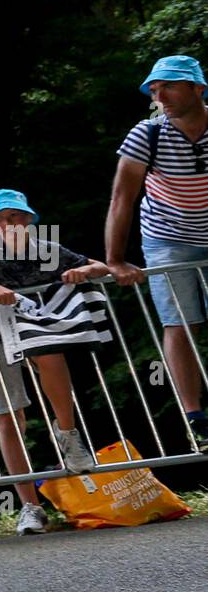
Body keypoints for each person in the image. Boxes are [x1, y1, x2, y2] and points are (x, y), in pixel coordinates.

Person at [0, 190, 111, 534]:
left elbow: (100, 266)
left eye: (20, 217)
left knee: (51, 354)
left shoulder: (47, 250)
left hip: (38, 333)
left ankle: (67, 433)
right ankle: (29, 506)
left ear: (29, 220)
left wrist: (81, 273)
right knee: (9, 420)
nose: (15, 223)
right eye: (6, 218)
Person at [104, 54, 208, 452]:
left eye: (169, 85)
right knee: (180, 322)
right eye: (154, 88)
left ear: (198, 88)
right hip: (167, 235)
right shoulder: (146, 134)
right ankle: (195, 416)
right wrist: (114, 258)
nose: (159, 94)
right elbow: (122, 197)